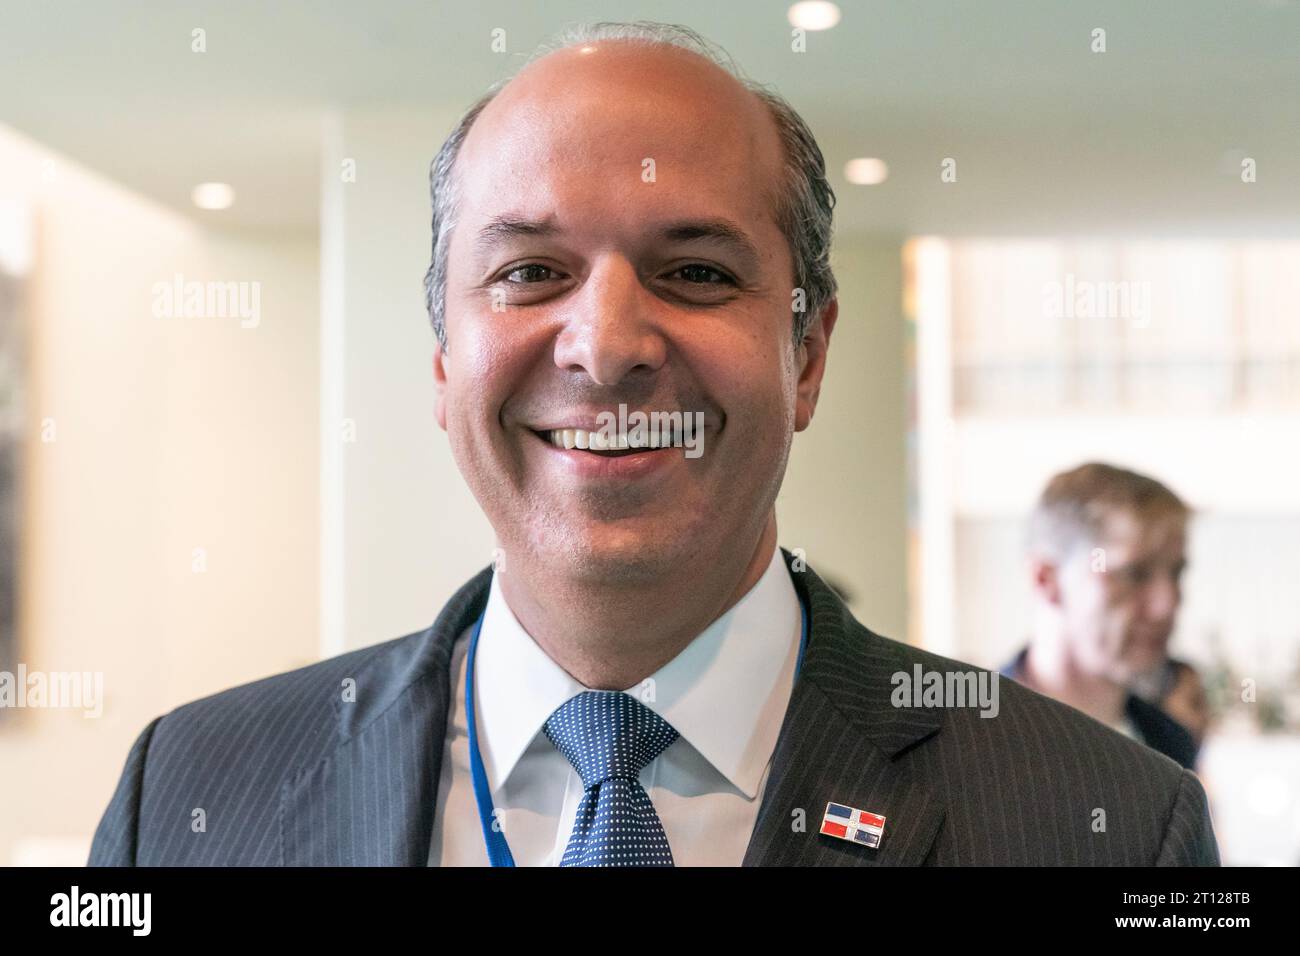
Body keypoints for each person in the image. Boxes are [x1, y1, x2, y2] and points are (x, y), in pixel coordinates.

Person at [88, 22, 1217, 867]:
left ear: (808, 355)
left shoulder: (1107, 826)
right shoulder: (187, 799)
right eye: (530, 270)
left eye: (696, 273)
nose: (609, 344)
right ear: (444, 360)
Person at [1003, 462, 1202, 769]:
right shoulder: (969, 739)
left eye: (1176, 573)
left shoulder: (1172, 744)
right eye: (1134, 574)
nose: (1167, 604)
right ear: (1046, 579)